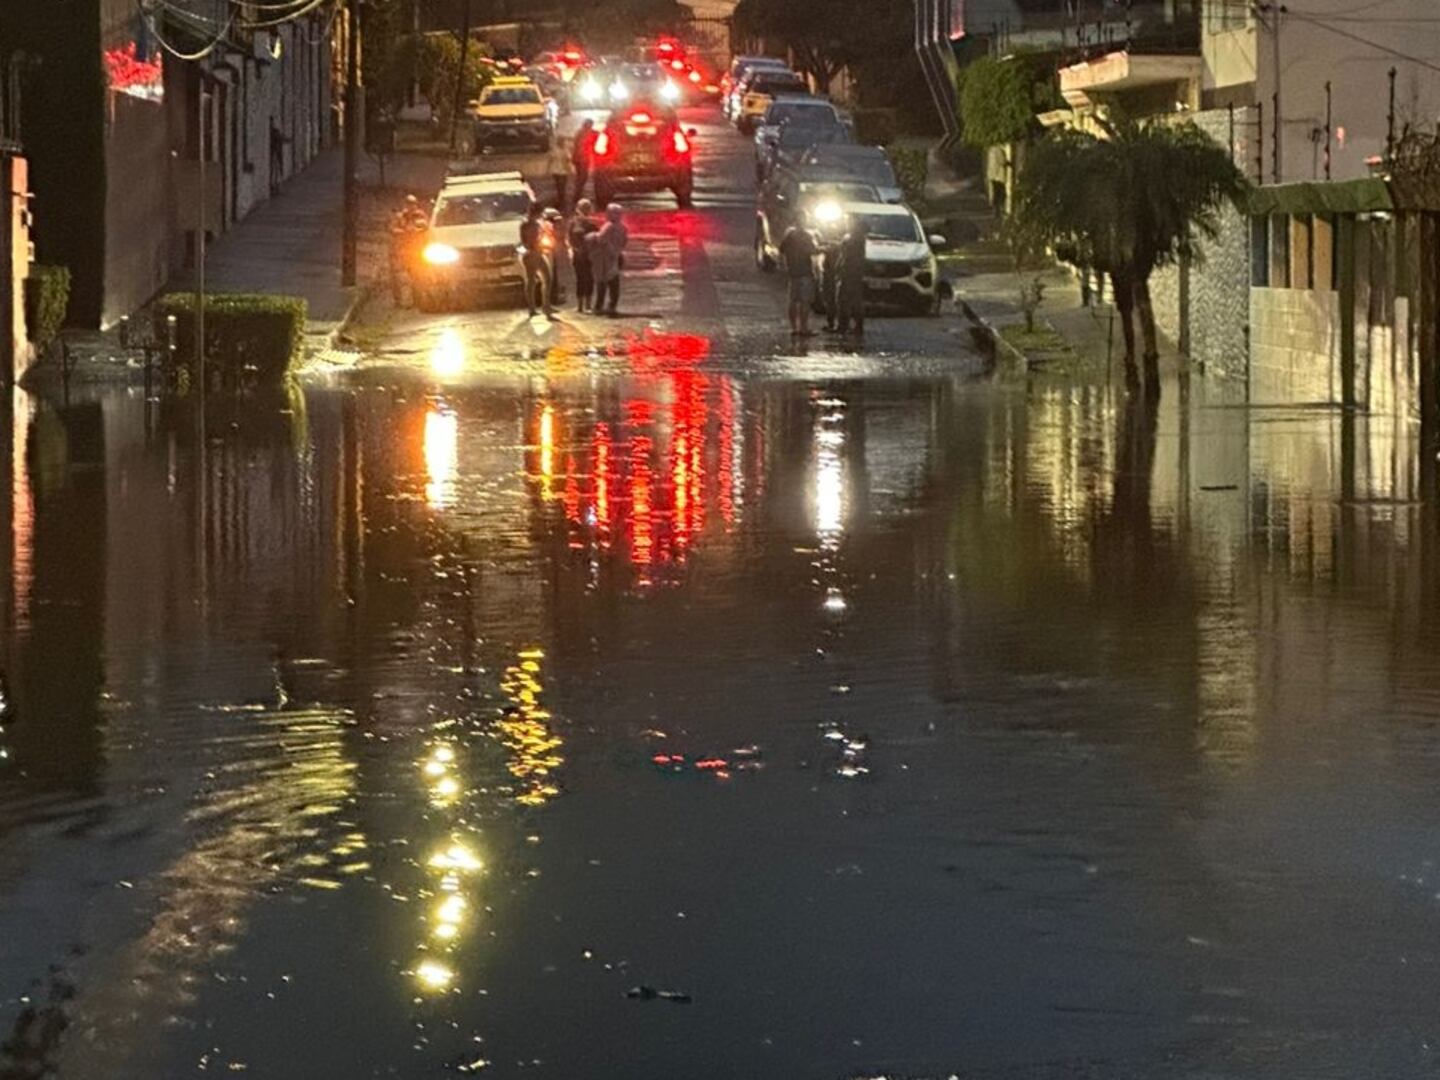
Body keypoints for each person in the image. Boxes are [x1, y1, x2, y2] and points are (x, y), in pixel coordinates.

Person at [778, 223, 819, 336]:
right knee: (805, 302)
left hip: (793, 272)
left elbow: (781, 250)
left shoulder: (789, 235)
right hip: (805, 272)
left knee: (793, 301)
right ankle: (804, 328)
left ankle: (794, 328)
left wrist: (783, 265)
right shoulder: (807, 236)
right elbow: (812, 251)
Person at [388, 194, 428, 307]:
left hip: (416, 251)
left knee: (417, 276)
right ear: (405, 205)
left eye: (413, 204)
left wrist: (415, 230)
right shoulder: (399, 217)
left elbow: (425, 227)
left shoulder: (420, 215)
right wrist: (404, 232)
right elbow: (392, 229)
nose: (411, 206)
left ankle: (417, 300)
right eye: (409, 204)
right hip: (402, 251)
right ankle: (399, 301)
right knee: (400, 277)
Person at [589, 203, 628, 317]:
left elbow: (600, 239)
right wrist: (617, 250)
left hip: (605, 259)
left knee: (602, 283)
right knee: (614, 283)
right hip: (615, 257)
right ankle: (612, 306)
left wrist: (594, 236)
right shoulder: (623, 227)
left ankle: (599, 306)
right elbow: (624, 242)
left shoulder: (608, 226)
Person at [519, 203, 554, 318]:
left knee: (544, 279)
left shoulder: (533, 223)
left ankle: (543, 306)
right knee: (533, 281)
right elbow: (529, 240)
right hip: (533, 253)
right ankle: (536, 307)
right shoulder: (528, 224)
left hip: (537, 252)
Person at [835, 222, 867, 337]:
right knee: (852, 300)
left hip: (851, 272)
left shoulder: (855, 239)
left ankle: (845, 325)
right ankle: (851, 325)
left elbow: (847, 256)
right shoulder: (853, 238)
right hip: (852, 272)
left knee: (846, 300)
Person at [568, 198, 599, 313]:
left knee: (589, 279)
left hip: (589, 256)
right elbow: (569, 238)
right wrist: (575, 249)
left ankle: (588, 305)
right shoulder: (573, 223)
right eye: (583, 208)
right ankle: (580, 305)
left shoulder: (592, 225)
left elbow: (597, 240)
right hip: (577, 255)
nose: (585, 211)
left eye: (587, 208)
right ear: (578, 209)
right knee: (580, 279)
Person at [546, 130, 574, 211]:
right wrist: (570, 170)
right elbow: (568, 161)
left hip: (555, 171)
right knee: (563, 188)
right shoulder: (565, 150)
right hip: (563, 172)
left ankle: (560, 201)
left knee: (559, 187)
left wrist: (547, 170)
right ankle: (562, 202)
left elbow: (550, 160)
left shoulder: (554, 150)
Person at [571, 119, 596, 207]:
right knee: (582, 177)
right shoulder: (585, 134)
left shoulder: (580, 133)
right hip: (582, 159)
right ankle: (577, 195)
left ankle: (577, 194)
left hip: (580, 159)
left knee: (580, 177)